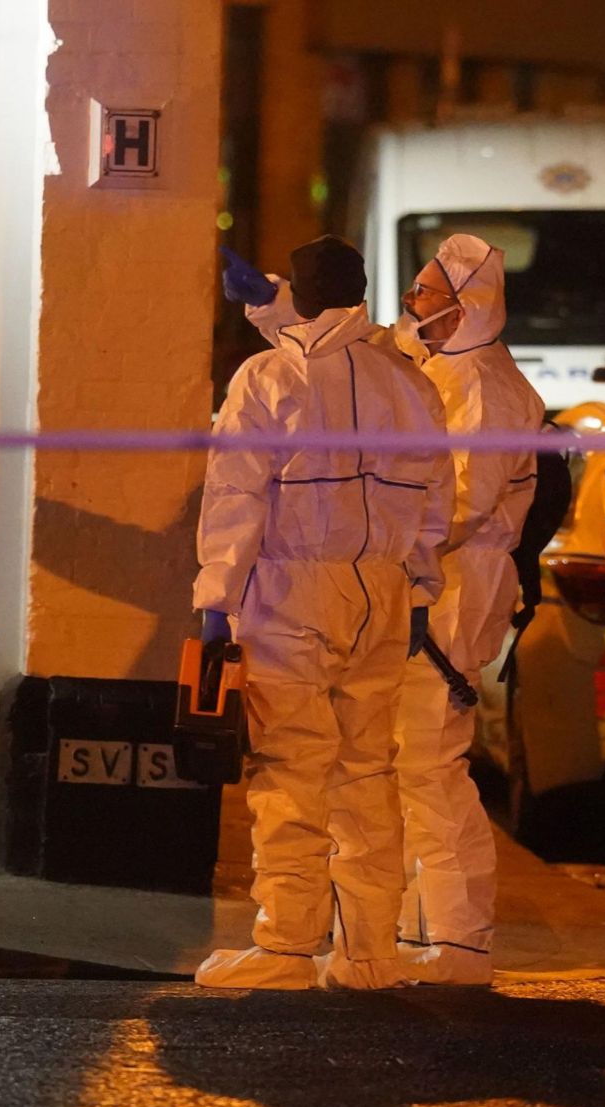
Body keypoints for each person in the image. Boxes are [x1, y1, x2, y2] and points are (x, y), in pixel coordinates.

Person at [193, 235, 454, 992]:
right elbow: (437, 498)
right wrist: (420, 587)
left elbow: (237, 495)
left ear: (299, 295)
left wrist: (217, 598)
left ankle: (286, 950)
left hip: (292, 590)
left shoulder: (267, 377)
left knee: (291, 772)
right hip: (383, 591)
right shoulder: (410, 383)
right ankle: (370, 952)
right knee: (368, 773)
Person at [385, 234, 545, 986]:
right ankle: (429, 930)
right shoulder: (448, 368)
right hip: (431, 584)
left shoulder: (485, 386)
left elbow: (462, 504)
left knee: (430, 764)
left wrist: (384, 542)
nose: (411, 305)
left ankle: (460, 938)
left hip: (450, 594)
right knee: (411, 764)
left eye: (423, 294)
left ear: (463, 305)